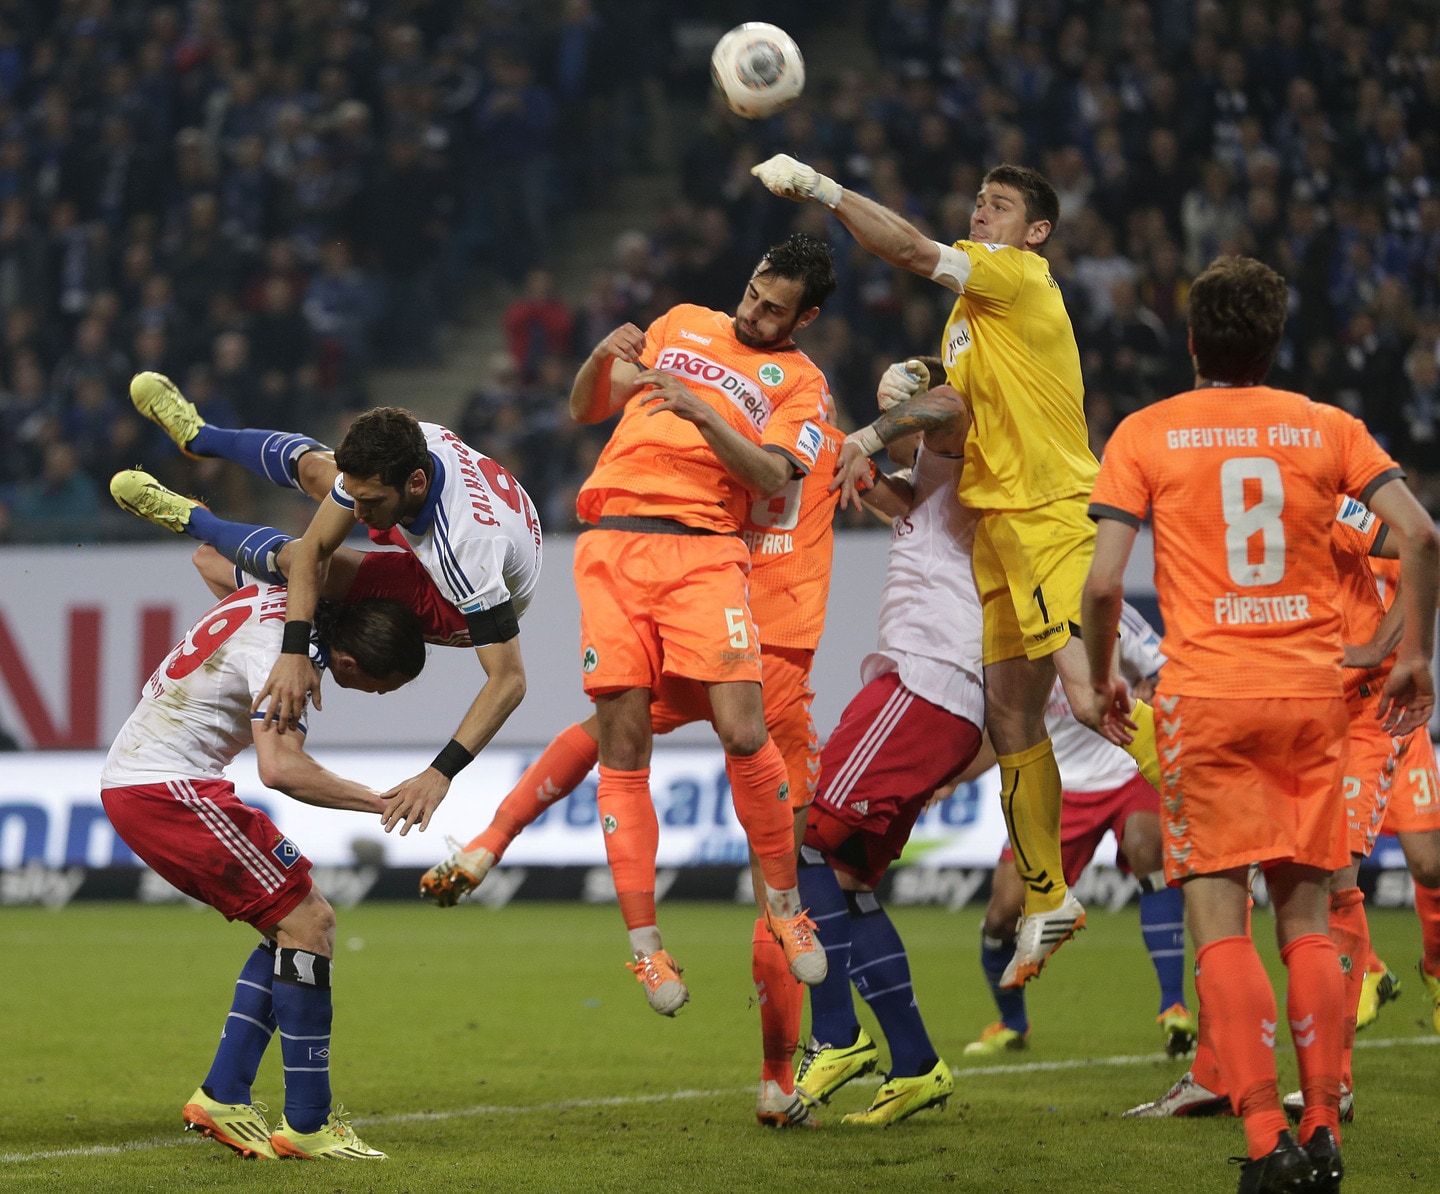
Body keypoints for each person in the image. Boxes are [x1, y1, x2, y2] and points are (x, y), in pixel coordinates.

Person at [752, 155, 1163, 988]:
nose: (981, 212)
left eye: (1000, 205)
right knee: (1013, 717)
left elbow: (909, 253)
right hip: (1001, 534)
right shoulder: (969, 326)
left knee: (1086, 698)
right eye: (978, 200)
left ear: (1036, 231)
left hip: (1049, 513)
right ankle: (1049, 896)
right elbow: (961, 413)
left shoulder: (1015, 276)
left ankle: (1214, 793)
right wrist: (921, 384)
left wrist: (824, 191)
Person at [1077, 255, 1438, 1193]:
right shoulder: (1326, 426)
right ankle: (1324, 1124)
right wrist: (1412, 655)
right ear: (1275, 342)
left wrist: (1106, 677)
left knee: (1220, 920)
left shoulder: (1146, 431)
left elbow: (1105, 583)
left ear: (1192, 338)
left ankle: (1267, 1138)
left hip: (1208, 697)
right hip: (1313, 696)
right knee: (1309, 918)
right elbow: (1422, 534)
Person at [421, 409, 844, 1128]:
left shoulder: (712, 430)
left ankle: (491, 842)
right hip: (761, 649)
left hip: (694, 602)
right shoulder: (816, 437)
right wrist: (877, 440)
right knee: (773, 881)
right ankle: (777, 1082)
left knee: (607, 736)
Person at [566, 233, 836, 1017]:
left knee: (745, 730)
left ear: (805, 317)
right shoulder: (681, 320)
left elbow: (772, 474)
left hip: (706, 549)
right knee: (622, 745)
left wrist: (703, 413)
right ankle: (646, 949)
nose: (753, 312)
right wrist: (599, 356)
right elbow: (586, 407)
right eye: (753, 293)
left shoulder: (803, 384)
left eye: (774, 308)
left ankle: (785, 908)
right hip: (613, 542)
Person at [124, 372, 542, 837]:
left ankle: (194, 519)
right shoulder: (414, 444)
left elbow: (509, 680)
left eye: (370, 502)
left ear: (416, 482)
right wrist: (293, 651)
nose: (358, 515)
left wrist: (439, 773)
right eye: (357, 498)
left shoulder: (467, 555)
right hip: (446, 536)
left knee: (289, 563)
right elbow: (318, 547)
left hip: (455, 602)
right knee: (315, 472)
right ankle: (202, 437)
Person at [99, 583, 427, 1161]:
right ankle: (307, 1126)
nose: (378, 695)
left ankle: (226, 1094)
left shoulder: (276, 592)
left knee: (295, 929)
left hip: (147, 783)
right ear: (350, 662)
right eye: (384, 686)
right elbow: (280, 769)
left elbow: (207, 559)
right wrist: (382, 801)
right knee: (311, 923)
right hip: (168, 790)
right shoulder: (292, 663)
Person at [790, 380, 983, 1127]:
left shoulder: (961, 438)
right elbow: (894, 499)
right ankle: (915, 1064)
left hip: (926, 681)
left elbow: (952, 403)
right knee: (845, 877)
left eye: (901, 395)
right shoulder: (936, 486)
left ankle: (836, 1036)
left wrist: (868, 435)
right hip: (933, 692)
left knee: (805, 835)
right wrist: (856, 456)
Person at [964, 605, 1195, 1060]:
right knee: (1002, 914)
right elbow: (1004, 725)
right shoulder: (1009, 622)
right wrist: (951, 778)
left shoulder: (1109, 609)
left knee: (1148, 847)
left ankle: (1174, 1007)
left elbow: (1166, 670)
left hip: (1124, 765)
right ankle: (1012, 1023)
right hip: (1056, 783)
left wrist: (1155, 688)